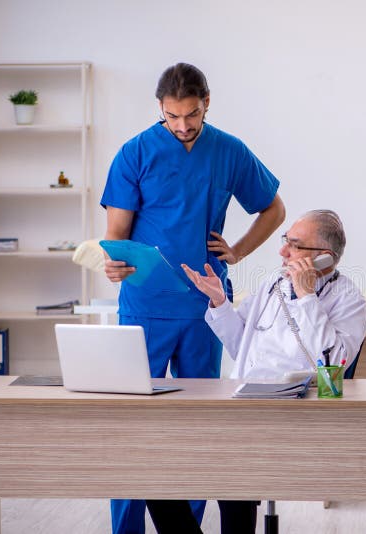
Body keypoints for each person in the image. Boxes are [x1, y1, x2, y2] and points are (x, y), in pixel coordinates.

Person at [100, 62, 286, 534]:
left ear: (207, 103)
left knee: (199, 424)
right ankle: (127, 529)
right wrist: (111, 263)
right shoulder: (135, 153)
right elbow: (116, 236)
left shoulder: (229, 151)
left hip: (206, 305)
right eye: (171, 117)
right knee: (132, 424)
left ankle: (186, 527)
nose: (182, 126)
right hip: (144, 304)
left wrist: (239, 250)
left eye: (191, 115)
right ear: (159, 110)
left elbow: (273, 208)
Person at [145, 209, 366, 534]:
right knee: (155, 468)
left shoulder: (349, 302)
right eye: (285, 241)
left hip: (297, 416)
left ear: (323, 257)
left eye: (294, 245)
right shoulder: (272, 284)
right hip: (243, 406)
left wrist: (306, 296)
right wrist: (220, 302)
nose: (282, 251)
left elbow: (331, 368)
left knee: (233, 473)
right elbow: (242, 346)